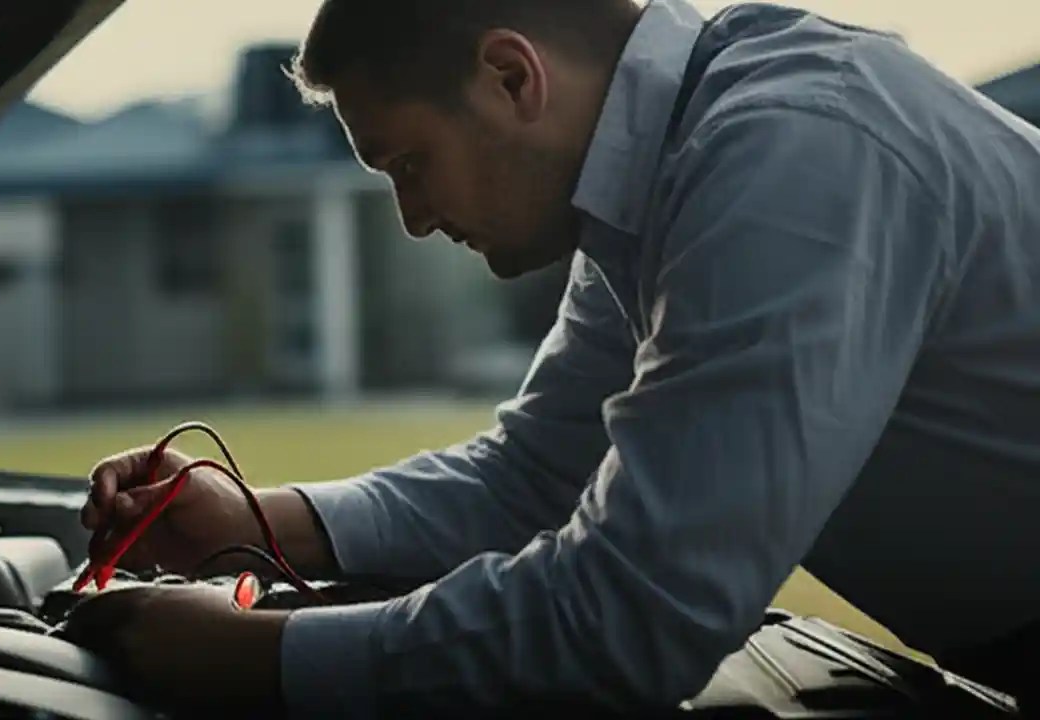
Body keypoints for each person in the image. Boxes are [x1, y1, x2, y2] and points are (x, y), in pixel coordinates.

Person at [66, 0, 1040, 716]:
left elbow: (635, 614)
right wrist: (263, 523)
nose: (411, 221)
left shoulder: (793, 160)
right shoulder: (673, 174)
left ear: (510, 77)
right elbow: (532, 477)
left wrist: (257, 659)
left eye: (408, 164)